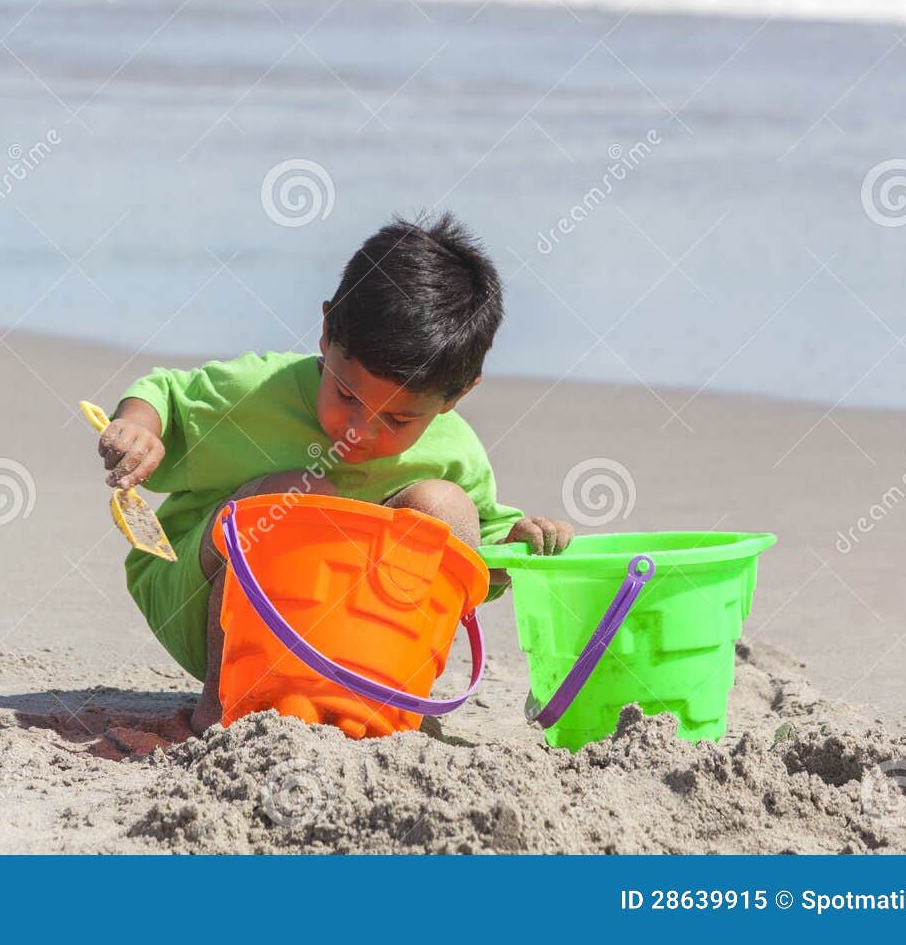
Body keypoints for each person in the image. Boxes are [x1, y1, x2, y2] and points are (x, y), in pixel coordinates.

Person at [97, 213, 573, 732]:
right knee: (299, 497)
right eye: (346, 395)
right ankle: (220, 710)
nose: (360, 430)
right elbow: (164, 392)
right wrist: (138, 426)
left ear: (456, 396)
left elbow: (474, 563)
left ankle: (386, 701)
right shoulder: (256, 392)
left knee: (445, 507)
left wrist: (520, 547)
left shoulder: (456, 451)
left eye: (397, 418)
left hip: (353, 637)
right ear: (326, 333)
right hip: (197, 595)